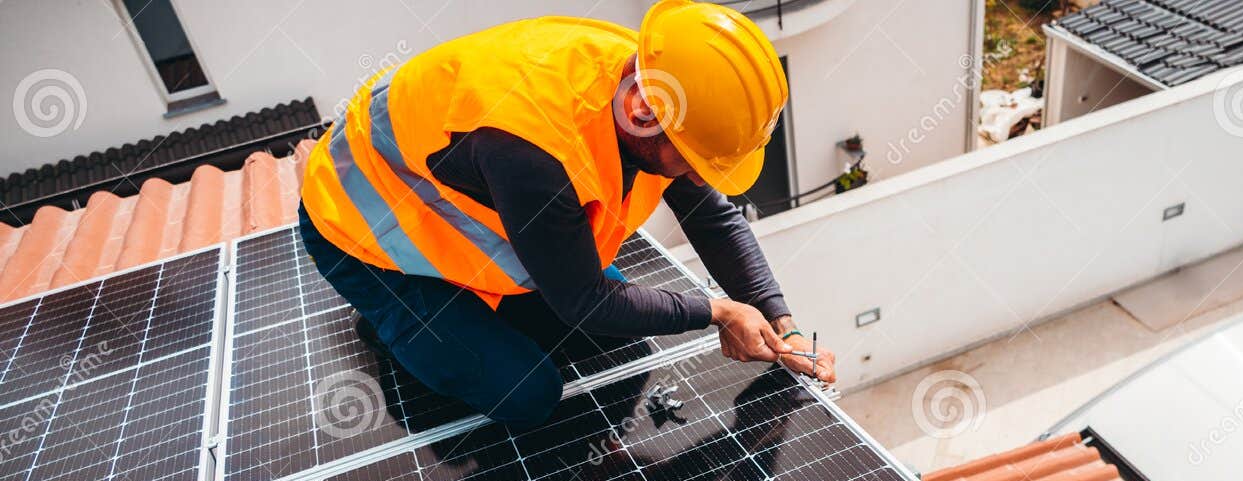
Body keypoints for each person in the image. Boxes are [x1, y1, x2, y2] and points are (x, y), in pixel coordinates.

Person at [296, 1, 837, 427]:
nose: (700, 176)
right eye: (697, 159)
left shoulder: (658, 77)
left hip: (461, 214)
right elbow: (584, 301)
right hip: (365, 235)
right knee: (527, 393)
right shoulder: (534, 148)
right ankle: (389, 326)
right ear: (643, 113)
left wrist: (779, 322)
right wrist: (719, 313)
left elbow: (713, 218)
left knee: (621, 333)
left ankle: (478, 318)